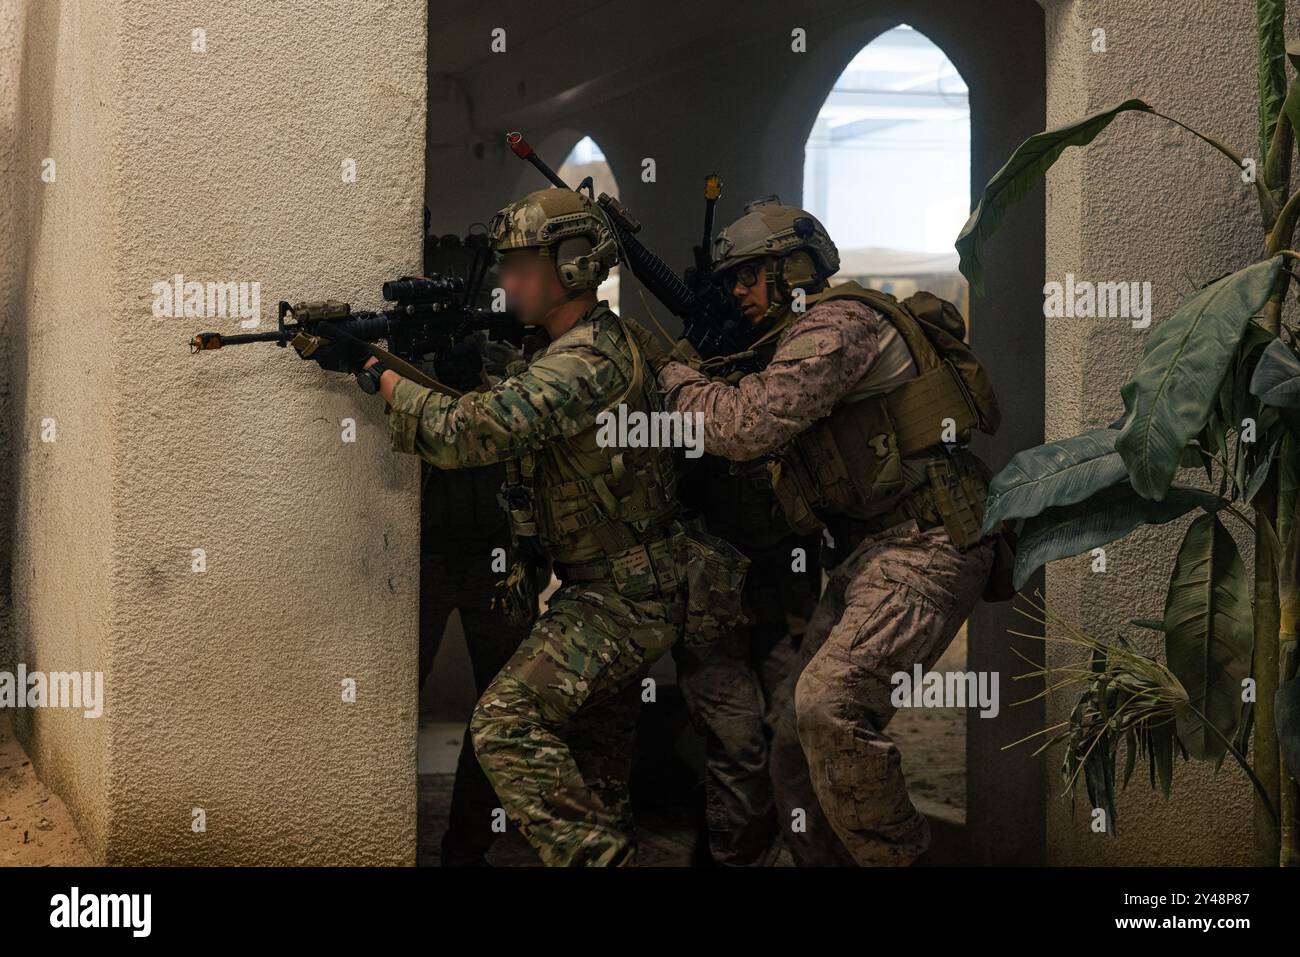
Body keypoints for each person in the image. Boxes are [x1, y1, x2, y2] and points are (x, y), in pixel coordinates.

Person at [649, 197, 1000, 866]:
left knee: (827, 706)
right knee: (790, 746)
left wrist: (673, 374)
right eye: (733, 281)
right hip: (875, 549)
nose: (741, 292)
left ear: (799, 268)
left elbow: (745, 426)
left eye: (753, 276)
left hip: (928, 542)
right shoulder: (793, 334)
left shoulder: (837, 325)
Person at [365, 187, 689, 866]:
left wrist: (379, 374)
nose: (506, 281)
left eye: (519, 266)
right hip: (615, 585)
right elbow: (514, 393)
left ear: (571, 265)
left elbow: (466, 432)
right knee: (598, 782)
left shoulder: (585, 361)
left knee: (504, 724)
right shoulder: (587, 344)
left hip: (620, 597)